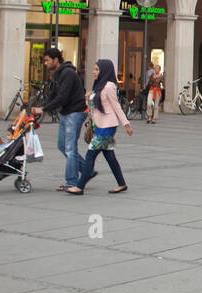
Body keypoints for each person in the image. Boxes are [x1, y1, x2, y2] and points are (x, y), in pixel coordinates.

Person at [66, 59, 133, 195]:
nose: (94, 72)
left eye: (97, 69)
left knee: (90, 154)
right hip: (100, 125)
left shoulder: (109, 86)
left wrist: (126, 124)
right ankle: (121, 184)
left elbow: (116, 106)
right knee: (110, 156)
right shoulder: (99, 85)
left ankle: (80, 186)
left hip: (107, 127)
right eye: (94, 69)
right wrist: (88, 97)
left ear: (104, 70)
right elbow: (93, 107)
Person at [31, 48, 87, 192]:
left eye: (47, 60)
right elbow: (53, 94)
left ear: (56, 60)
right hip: (67, 112)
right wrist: (42, 107)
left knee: (69, 147)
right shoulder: (57, 74)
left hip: (75, 112)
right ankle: (87, 171)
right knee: (62, 145)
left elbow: (62, 97)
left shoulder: (68, 73)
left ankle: (71, 182)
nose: (45, 63)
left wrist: (43, 109)